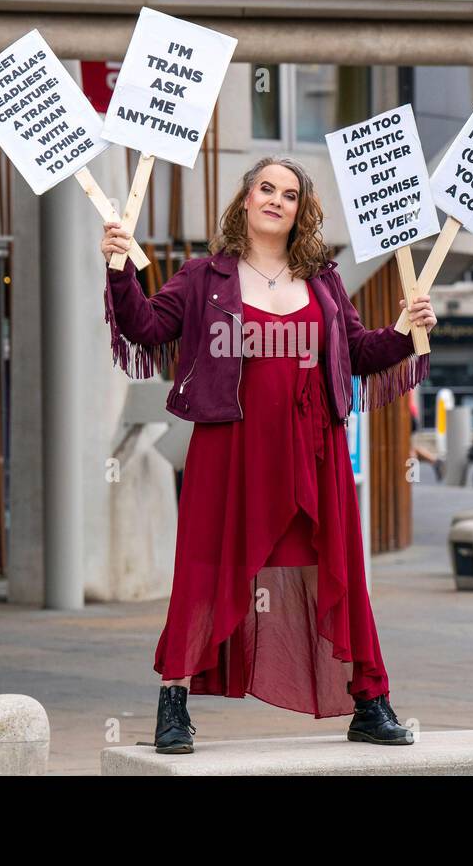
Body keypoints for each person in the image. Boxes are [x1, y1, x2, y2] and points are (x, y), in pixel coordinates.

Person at [101, 156, 436, 754]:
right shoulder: (205, 277)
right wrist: (120, 270)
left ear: (300, 210)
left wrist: (406, 329)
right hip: (230, 448)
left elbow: (357, 352)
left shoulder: (325, 279)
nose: (276, 199)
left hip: (315, 447)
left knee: (341, 568)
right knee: (203, 569)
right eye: (266, 188)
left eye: (289, 193)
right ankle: (173, 706)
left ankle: (370, 701)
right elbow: (146, 329)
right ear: (247, 200)